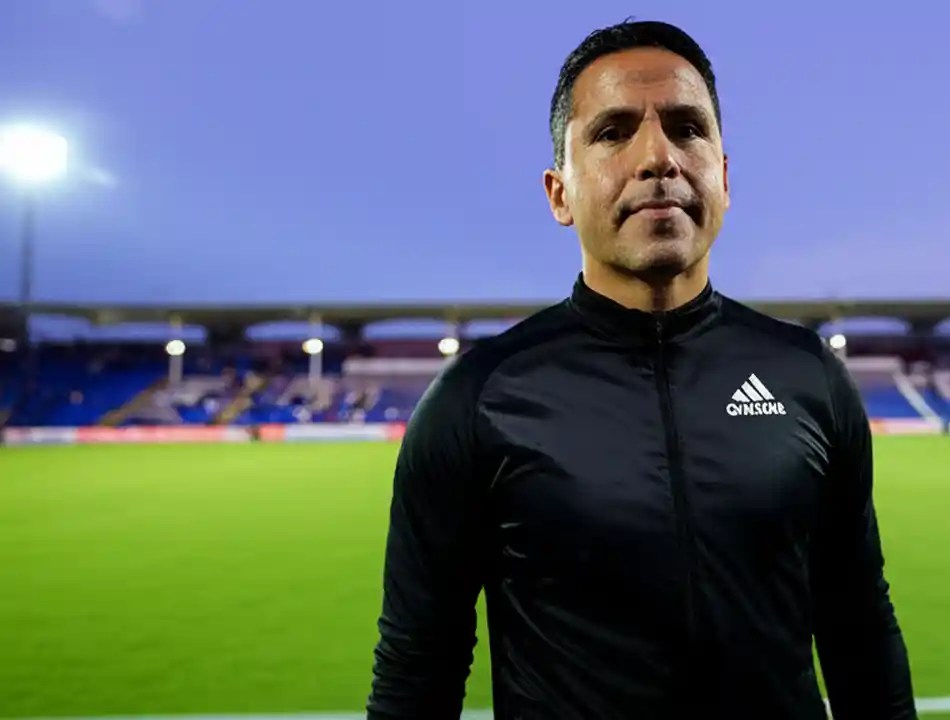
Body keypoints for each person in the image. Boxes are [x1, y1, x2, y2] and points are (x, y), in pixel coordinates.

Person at [367, 19, 916, 719]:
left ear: (723, 176)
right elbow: (418, 671)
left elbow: (860, 630)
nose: (658, 156)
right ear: (559, 194)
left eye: (687, 128)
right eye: (613, 131)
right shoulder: (476, 400)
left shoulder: (808, 377)